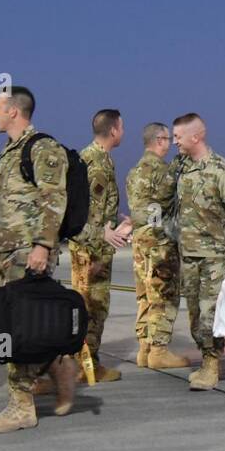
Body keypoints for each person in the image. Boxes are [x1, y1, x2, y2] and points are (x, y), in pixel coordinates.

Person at [0, 86, 77, 434]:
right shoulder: (10, 153)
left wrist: (42, 245)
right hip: (5, 253)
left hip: (26, 252)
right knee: (12, 324)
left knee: (18, 327)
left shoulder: (43, 148)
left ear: (14, 111)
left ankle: (21, 407)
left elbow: (55, 198)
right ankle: (59, 365)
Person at [172, 113, 225, 391]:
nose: (174, 142)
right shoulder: (181, 167)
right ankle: (207, 358)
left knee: (209, 315)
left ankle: (211, 364)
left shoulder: (223, 171)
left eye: (178, 137)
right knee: (194, 316)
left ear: (196, 137)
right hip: (189, 255)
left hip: (216, 257)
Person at [69, 109, 131, 384]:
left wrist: (115, 222)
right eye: (122, 126)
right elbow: (87, 214)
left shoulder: (96, 158)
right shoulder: (96, 163)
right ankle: (85, 366)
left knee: (92, 307)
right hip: (90, 250)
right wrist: (106, 235)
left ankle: (85, 363)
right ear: (114, 130)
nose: (123, 131)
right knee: (91, 307)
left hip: (93, 246)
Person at [126, 123, 187, 370]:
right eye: (168, 139)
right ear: (160, 140)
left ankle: (144, 348)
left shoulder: (133, 173)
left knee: (145, 295)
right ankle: (159, 350)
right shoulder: (165, 172)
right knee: (165, 295)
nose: (171, 143)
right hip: (160, 242)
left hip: (140, 242)